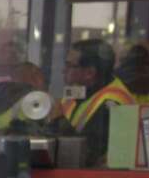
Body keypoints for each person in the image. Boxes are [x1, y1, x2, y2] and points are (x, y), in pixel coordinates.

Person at [57, 38, 133, 167]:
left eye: (70, 65)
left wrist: (56, 119)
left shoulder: (113, 104)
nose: (64, 70)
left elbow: (87, 154)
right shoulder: (79, 91)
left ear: (89, 73)